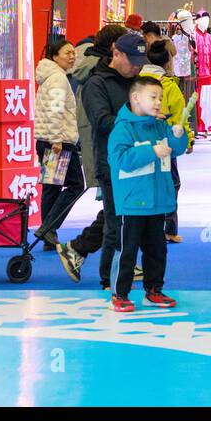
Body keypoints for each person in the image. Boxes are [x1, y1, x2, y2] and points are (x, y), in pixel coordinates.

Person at [57, 32, 146, 288]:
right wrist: (138, 119)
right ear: (116, 53)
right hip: (111, 163)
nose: (137, 67)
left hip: (139, 161)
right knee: (115, 223)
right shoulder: (96, 84)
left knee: (130, 219)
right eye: (132, 61)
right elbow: (102, 122)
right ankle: (109, 278)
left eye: (140, 62)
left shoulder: (137, 81)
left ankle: (114, 264)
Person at [105, 76, 189, 311]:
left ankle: (154, 290)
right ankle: (119, 294)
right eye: (153, 97)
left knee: (156, 251)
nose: (158, 102)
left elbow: (176, 150)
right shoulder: (122, 129)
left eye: (160, 98)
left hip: (157, 202)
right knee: (127, 250)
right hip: (132, 203)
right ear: (135, 98)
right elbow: (121, 160)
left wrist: (178, 135)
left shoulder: (159, 125)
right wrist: (152, 151)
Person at [33, 38, 84, 249]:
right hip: (58, 142)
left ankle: (48, 235)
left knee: (52, 188)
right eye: (67, 53)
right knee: (76, 185)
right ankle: (48, 228)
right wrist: (56, 140)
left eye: (73, 53)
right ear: (55, 57)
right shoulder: (58, 79)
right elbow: (55, 111)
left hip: (49, 140)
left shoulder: (50, 76)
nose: (72, 57)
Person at [145, 41, 194, 244]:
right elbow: (180, 117)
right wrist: (188, 139)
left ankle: (146, 229)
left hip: (140, 144)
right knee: (172, 183)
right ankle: (169, 229)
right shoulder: (169, 86)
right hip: (165, 144)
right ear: (168, 62)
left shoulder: (136, 82)